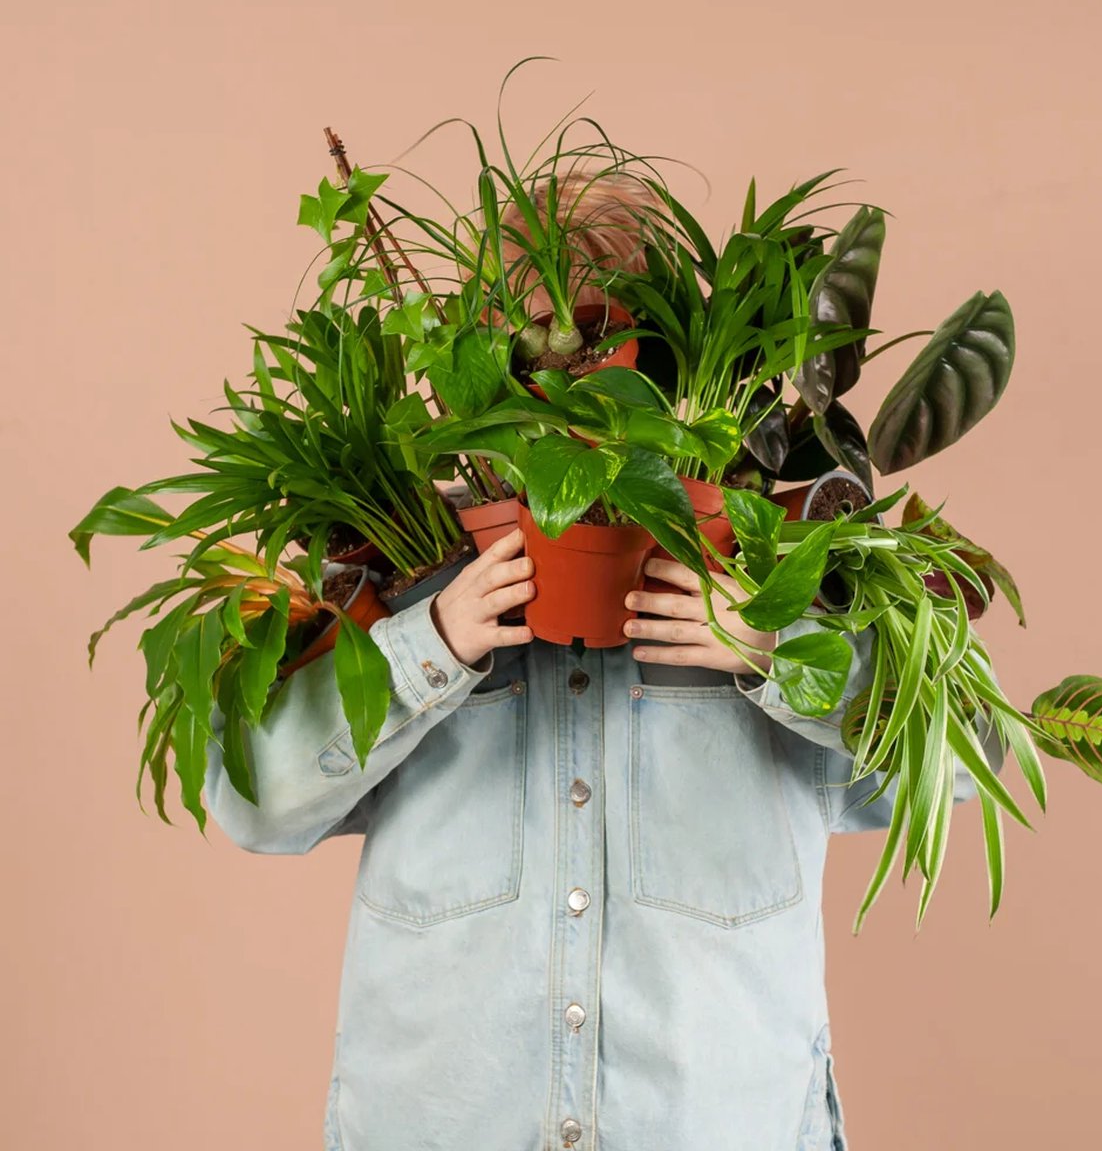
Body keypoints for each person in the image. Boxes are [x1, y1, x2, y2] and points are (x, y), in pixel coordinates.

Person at [202, 171, 1008, 1149]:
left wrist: (776, 647)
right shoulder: (397, 559)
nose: (581, 379)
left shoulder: (794, 549)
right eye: (537, 343)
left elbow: (967, 766)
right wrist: (429, 646)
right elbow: (251, 804)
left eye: (618, 342)